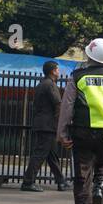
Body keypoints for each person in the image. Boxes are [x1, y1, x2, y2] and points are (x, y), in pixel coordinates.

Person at [57, 38, 103, 204]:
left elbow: (66, 107)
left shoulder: (78, 77)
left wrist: (62, 133)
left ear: (89, 55)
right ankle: (100, 185)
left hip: (82, 131)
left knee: (82, 177)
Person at [22, 60, 66, 192]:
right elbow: (58, 104)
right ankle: (28, 182)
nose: (59, 72)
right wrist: (61, 123)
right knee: (40, 154)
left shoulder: (42, 84)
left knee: (51, 155)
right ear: (53, 71)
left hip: (43, 123)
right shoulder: (50, 85)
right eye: (58, 69)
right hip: (48, 125)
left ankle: (61, 181)